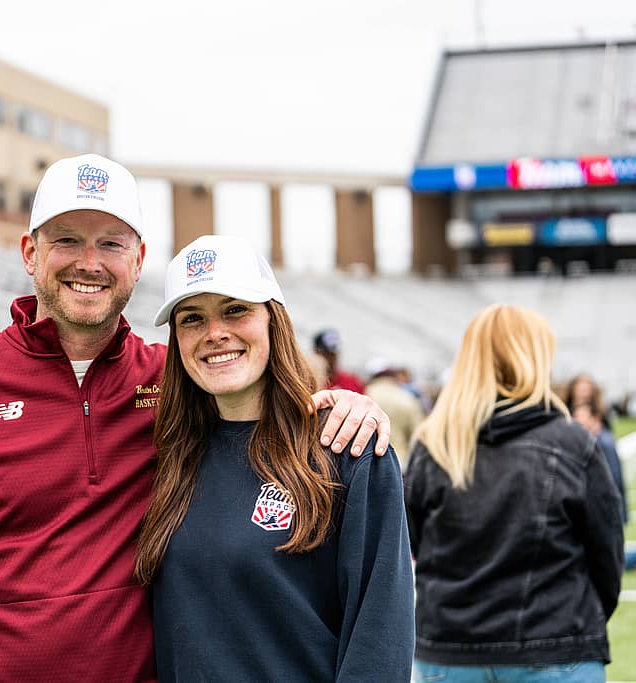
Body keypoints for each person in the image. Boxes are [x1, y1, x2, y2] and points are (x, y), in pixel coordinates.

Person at [0, 153, 394, 683]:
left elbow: (260, 400)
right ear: (30, 252)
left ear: (138, 260)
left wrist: (348, 405)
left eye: (111, 243)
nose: (90, 262)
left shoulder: (177, 383)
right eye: (67, 239)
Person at [137, 235, 414, 681]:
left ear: (273, 320)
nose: (214, 333)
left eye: (235, 309)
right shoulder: (168, 454)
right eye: (192, 318)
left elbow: (380, 639)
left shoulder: (349, 448)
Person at [405, 305, 624, 682]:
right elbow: (607, 555)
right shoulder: (571, 444)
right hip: (552, 643)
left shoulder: (434, 444)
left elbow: (410, 543)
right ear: (536, 358)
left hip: (449, 649)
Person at [564, 374, 636, 572]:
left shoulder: (602, 442)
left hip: (601, 510)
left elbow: (612, 482)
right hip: (592, 510)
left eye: (580, 418)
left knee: (604, 563)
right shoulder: (583, 438)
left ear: (594, 420)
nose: (574, 422)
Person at [362, 358, 425, 470]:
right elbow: (417, 435)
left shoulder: (364, 395)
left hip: (366, 461)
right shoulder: (407, 398)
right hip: (399, 462)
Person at [313, 328, 365, 393]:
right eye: (326, 354)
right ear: (316, 353)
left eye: (334, 354)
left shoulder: (351, 381)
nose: (331, 358)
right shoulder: (310, 383)